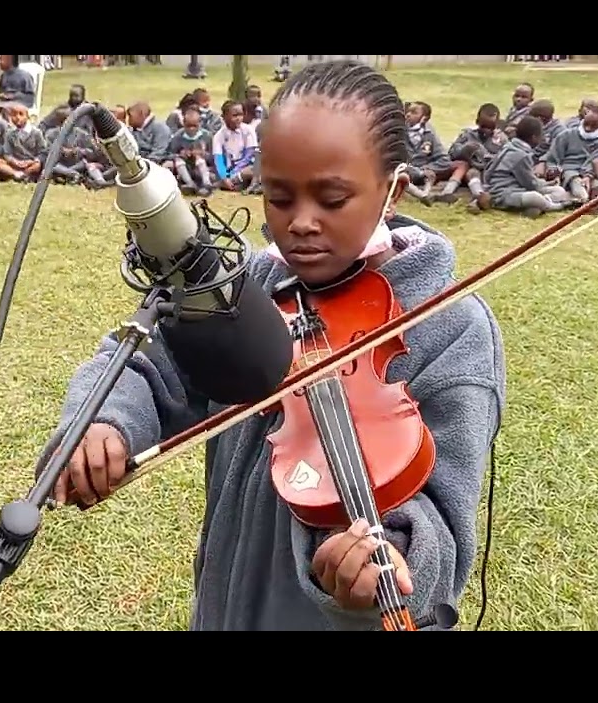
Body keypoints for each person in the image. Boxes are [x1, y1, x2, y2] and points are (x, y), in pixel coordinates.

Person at [45, 60, 505, 631]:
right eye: (279, 198)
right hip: (229, 596)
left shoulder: (451, 328)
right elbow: (154, 363)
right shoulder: (253, 284)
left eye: (332, 200)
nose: (301, 224)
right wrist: (106, 420)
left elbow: (446, 524)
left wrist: (389, 559)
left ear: (393, 191)